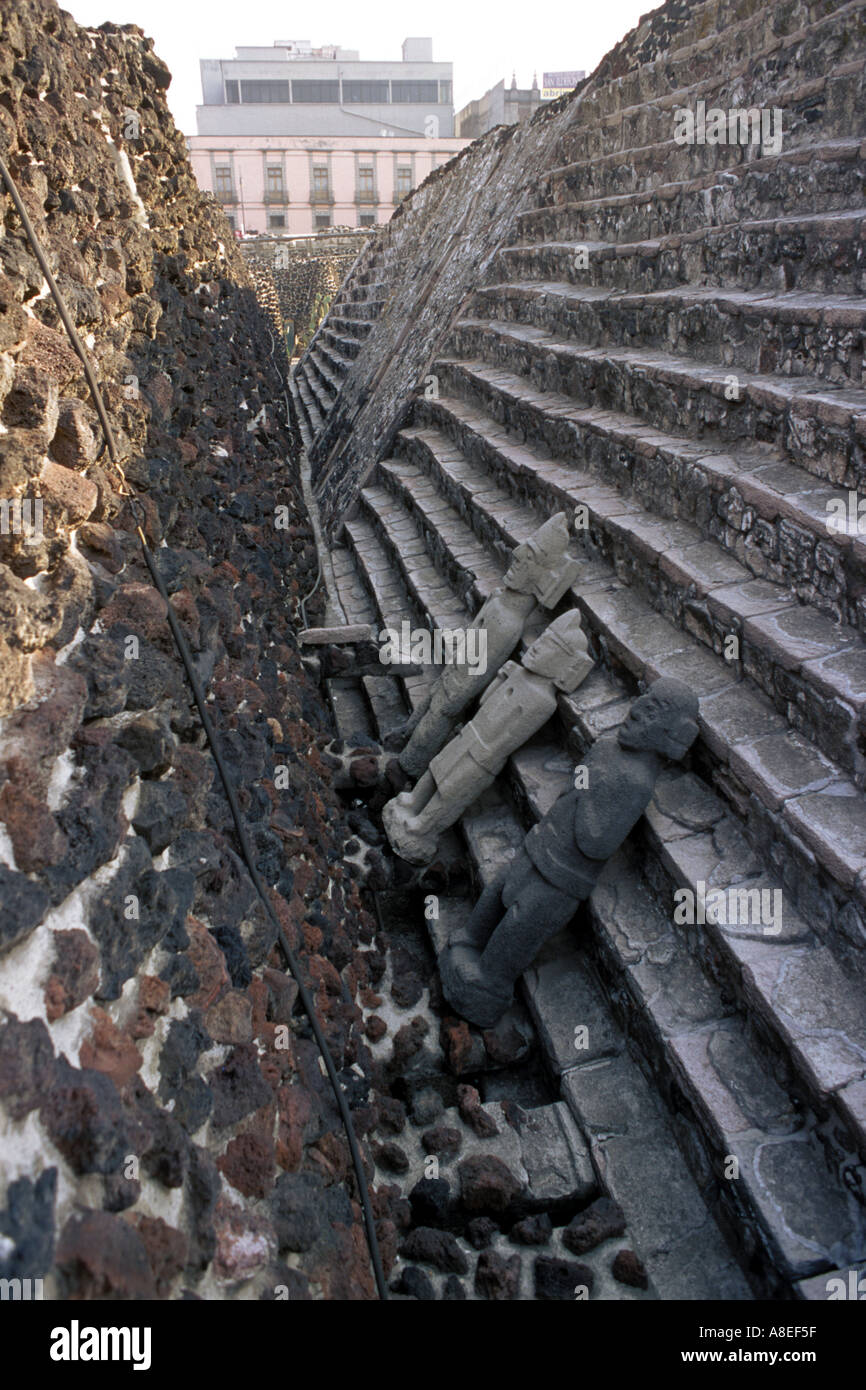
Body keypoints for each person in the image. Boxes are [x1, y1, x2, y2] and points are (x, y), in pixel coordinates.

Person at [438, 678, 701, 1027]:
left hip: (563, 875)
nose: (636, 711)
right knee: (499, 888)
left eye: (651, 710)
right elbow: (570, 791)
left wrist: (585, 798)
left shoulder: (637, 783)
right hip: (543, 844)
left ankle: (489, 982)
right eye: (642, 701)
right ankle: (469, 940)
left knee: (521, 922)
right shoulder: (607, 748)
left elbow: (598, 843)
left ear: (672, 733)